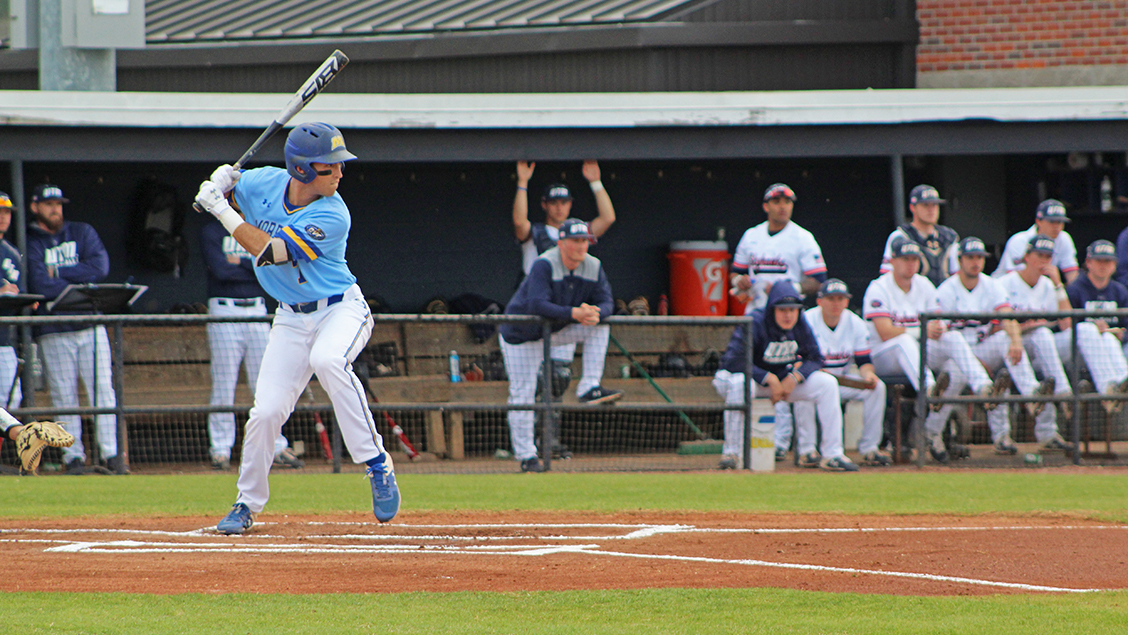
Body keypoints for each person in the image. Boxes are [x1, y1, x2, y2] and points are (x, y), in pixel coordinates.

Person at [194, 122, 399, 534]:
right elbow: (226, 192)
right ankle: (245, 503)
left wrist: (220, 207)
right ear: (303, 170)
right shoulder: (264, 183)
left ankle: (377, 463)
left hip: (340, 310)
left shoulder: (333, 212)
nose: (341, 174)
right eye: (331, 167)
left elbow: (271, 253)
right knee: (266, 412)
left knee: (328, 360)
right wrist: (221, 184)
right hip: (290, 317)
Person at [863, 238, 1008, 464]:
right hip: (884, 355)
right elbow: (884, 331)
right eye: (904, 259)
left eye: (914, 259)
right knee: (904, 340)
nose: (910, 264)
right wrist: (921, 330)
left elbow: (936, 326)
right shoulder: (879, 287)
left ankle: (983, 387)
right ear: (892, 261)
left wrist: (938, 330)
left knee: (953, 344)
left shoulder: (924, 285)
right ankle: (931, 390)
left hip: (915, 355)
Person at [498, 218, 621, 473]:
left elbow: (608, 301)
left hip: (553, 331)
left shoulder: (593, 266)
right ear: (561, 243)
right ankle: (527, 456)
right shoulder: (544, 263)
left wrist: (595, 312)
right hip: (521, 336)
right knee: (523, 393)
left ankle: (589, 386)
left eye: (585, 240)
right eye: (575, 241)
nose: (581, 246)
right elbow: (536, 305)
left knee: (600, 325)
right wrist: (575, 313)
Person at [935, 237, 1064, 455]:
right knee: (958, 374)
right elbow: (941, 334)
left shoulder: (991, 285)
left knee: (1007, 342)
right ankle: (932, 434)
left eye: (979, 257)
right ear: (960, 260)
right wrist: (974, 363)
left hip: (983, 347)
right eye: (969, 257)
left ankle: (1032, 396)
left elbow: (1007, 317)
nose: (975, 262)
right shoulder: (945, 290)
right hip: (955, 356)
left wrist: (1015, 341)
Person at [713, 280, 858, 472]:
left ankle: (833, 454)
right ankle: (733, 454)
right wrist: (769, 378)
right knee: (741, 384)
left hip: (779, 380)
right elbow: (733, 361)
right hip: (736, 378)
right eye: (782, 310)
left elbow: (815, 358)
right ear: (772, 309)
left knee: (828, 384)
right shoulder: (755, 322)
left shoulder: (799, 324)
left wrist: (794, 378)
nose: (788, 315)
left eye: (793, 309)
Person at [25, 184, 120, 475]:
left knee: (103, 391)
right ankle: (73, 457)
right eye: (49, 204)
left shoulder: (82, 232)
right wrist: (75, 279)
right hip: (54, 329)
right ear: (35, 207)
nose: (55, 209)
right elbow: (40, 283)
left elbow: (100, 268)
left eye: (58, 203)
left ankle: (112, 455)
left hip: (90, 325)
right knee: (64, 396)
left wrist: (60, 273)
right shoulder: (31, 240)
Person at [729, 183, 827, 460]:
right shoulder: (752, 236)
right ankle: (759, 446)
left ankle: (788, 445)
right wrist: (740, 281)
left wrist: (787, 291)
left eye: (787, 201)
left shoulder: (802, 238)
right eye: (777, 201)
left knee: (791, 376)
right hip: (757, 318)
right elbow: (734, 274)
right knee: (759, 376)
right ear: (766, 205)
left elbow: (818, 280)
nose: (783, 206)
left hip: (789, 319)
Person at [200, 216, 302, 472]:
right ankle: (220, 449)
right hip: (224, 309)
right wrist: (254, 265)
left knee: (267, 382)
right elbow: (220, 270)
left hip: (257, 310)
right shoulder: (213, 231)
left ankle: (275, 446)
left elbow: (274, 271)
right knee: (224, 383)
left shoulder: (259, 230)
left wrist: (242, 264)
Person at [791, 279, 890, 467]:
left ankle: (870, 448)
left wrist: (868, 374)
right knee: (803, 392)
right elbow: (798, 362)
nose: (835, 303)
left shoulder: (855, 323)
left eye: (840, 299)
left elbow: (863, 361)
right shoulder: (806, 320)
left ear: (846, 301)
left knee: (877, 388)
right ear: (819, 300)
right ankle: (807, 450)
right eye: (830, 298)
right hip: (814, 381)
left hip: (841, 382)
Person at [512, 160, 616, 277]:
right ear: (544, 205)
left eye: (564, 202)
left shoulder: (578, 230)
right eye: (553, 203)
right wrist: (522, 182)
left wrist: (595, 182)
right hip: (538, 290)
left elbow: (607, 218)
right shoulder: (533, 231)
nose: (559, 208)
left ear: (570, 204)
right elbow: (519, 222)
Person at [1060, 239, 1128, 413]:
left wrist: (1121, 334)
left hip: (1110, 350)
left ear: (1114, 265)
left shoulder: (1120, 291)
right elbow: (1065, 326)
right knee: (1089, 330)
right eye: (1099, 261)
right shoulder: (1075, 289)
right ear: (1088, 263)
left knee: (1108, 338)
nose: (1103, 265)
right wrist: (1093, 328)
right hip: (1078, 351)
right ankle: (1108, 389)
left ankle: (1121, 385)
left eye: (1108, 261)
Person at [879, 184, 959, 287]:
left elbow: (957, 276)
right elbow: (887, 276)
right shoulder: (900, 236)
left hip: (944, 298)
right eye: (925, 205)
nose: (931, 210)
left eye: (934, 205)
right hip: (913, 298)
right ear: (913, 207)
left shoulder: (949, 237)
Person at [992, 199, 1079, 284]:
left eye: (1060, 222)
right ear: (1038, 221)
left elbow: (1072, 275)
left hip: (1038, 289)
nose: (1056, 226)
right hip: (1003, 290)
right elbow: (1018, 279)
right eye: (1052, 222)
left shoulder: (1064, 238)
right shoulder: (1019, 240)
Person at [0, 192, 26, 413]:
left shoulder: (12, 253)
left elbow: (21, 291)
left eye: (7, 212)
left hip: (4, 339)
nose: (3, 216)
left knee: (10, 399)